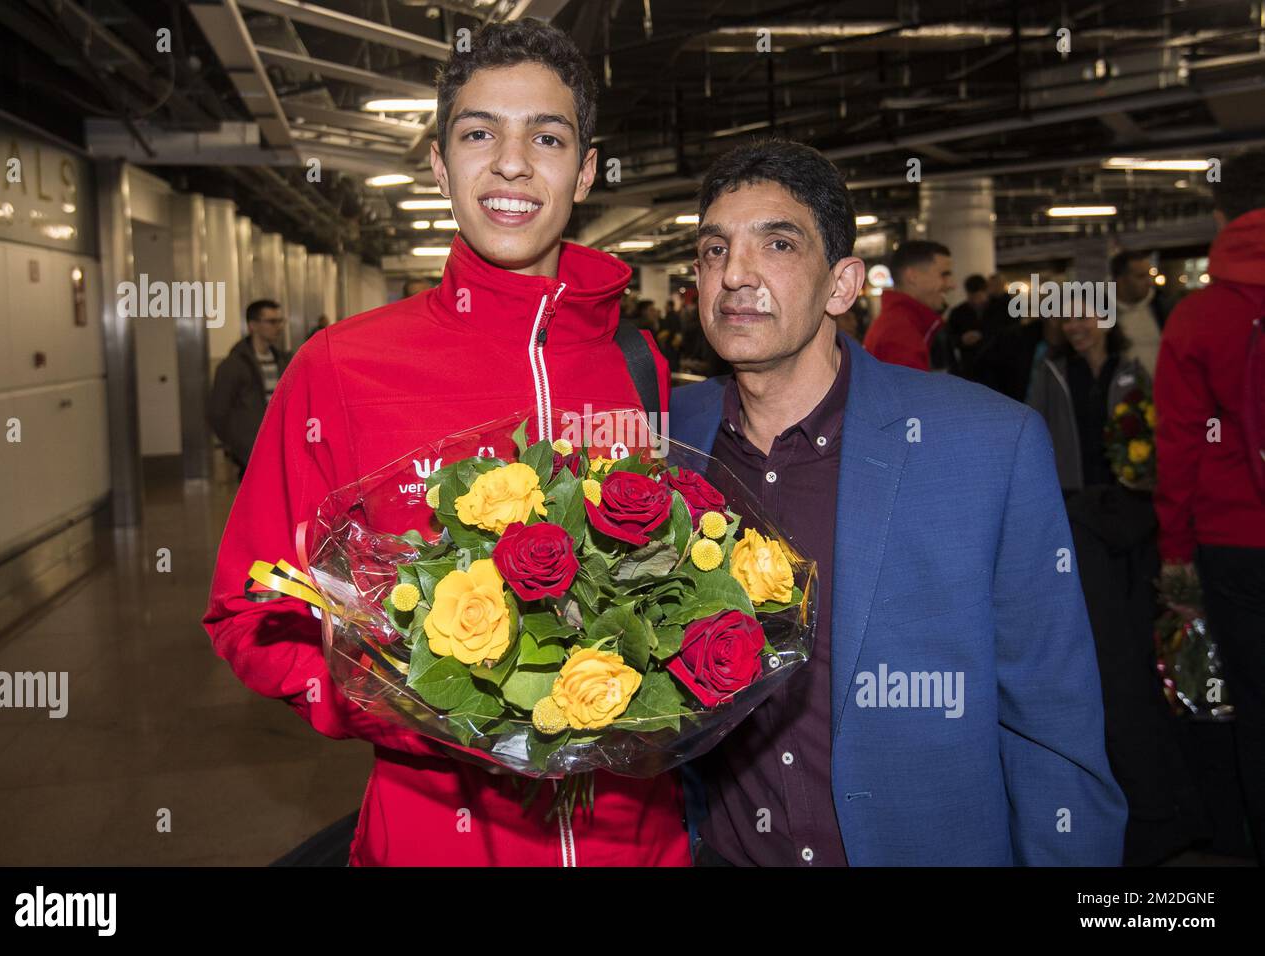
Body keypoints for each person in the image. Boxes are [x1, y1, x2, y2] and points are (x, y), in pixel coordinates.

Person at [203, 18, 685, 867]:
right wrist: (409, 702)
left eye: (547, 135)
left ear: (587, 168)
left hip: (637, 839)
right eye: (477, 133)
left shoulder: (635, 362)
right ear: (437, 164)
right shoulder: (343, 367)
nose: (511, 162)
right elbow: (250, 612)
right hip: (439, 837)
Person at [670, 139, 1126, 866]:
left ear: (842, 285)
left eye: (777, 244)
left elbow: (1052, 724)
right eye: (714, 250)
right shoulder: (665, 439)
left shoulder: (985, 446)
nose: (736, 275)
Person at [1155, 147, 1265, 865]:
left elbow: (1181, 445)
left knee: (1249, 704)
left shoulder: (1197, 316)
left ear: (1221, 217)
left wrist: (1174, 551)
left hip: (1235, 542)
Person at [1026, 313, 1147, 494]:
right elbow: (1032, 430)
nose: (1073, 326)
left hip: (1126, 495)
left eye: (1082, 318)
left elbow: (1152, 426)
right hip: (1069, 495)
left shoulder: (1132, 372)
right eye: (1067, 320)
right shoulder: (1051, 373)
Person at [206, 299, 290, 479]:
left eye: (280, 321)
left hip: (282, 451)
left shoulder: (283, 361)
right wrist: (239, 446)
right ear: (253, 325)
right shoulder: (233, 366)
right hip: (250, 454)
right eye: (271, 321)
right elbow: (217, 412)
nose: (278, 327)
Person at [862, 239, 954, 371]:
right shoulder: (899, 334)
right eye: (944, 275)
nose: (952, 284)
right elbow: (914, 391)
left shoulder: (899, 325)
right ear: (912, 277)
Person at [1112, 250, 1167, 376]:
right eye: (1140, 276)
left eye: (1149, 275)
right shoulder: (1103, 313)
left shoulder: (1161, 307)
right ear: (1121, 280)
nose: (1149, 282)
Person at [946, 273, 989, 378]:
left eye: (978, 296)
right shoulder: (958, 312)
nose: (976, 301)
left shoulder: (998, 309)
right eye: (972, 297)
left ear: (986, 292)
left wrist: (983, 335)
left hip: (996, 365)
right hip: (970, 365)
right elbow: (950, 337)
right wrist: (962, 340)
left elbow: (1004, 332)